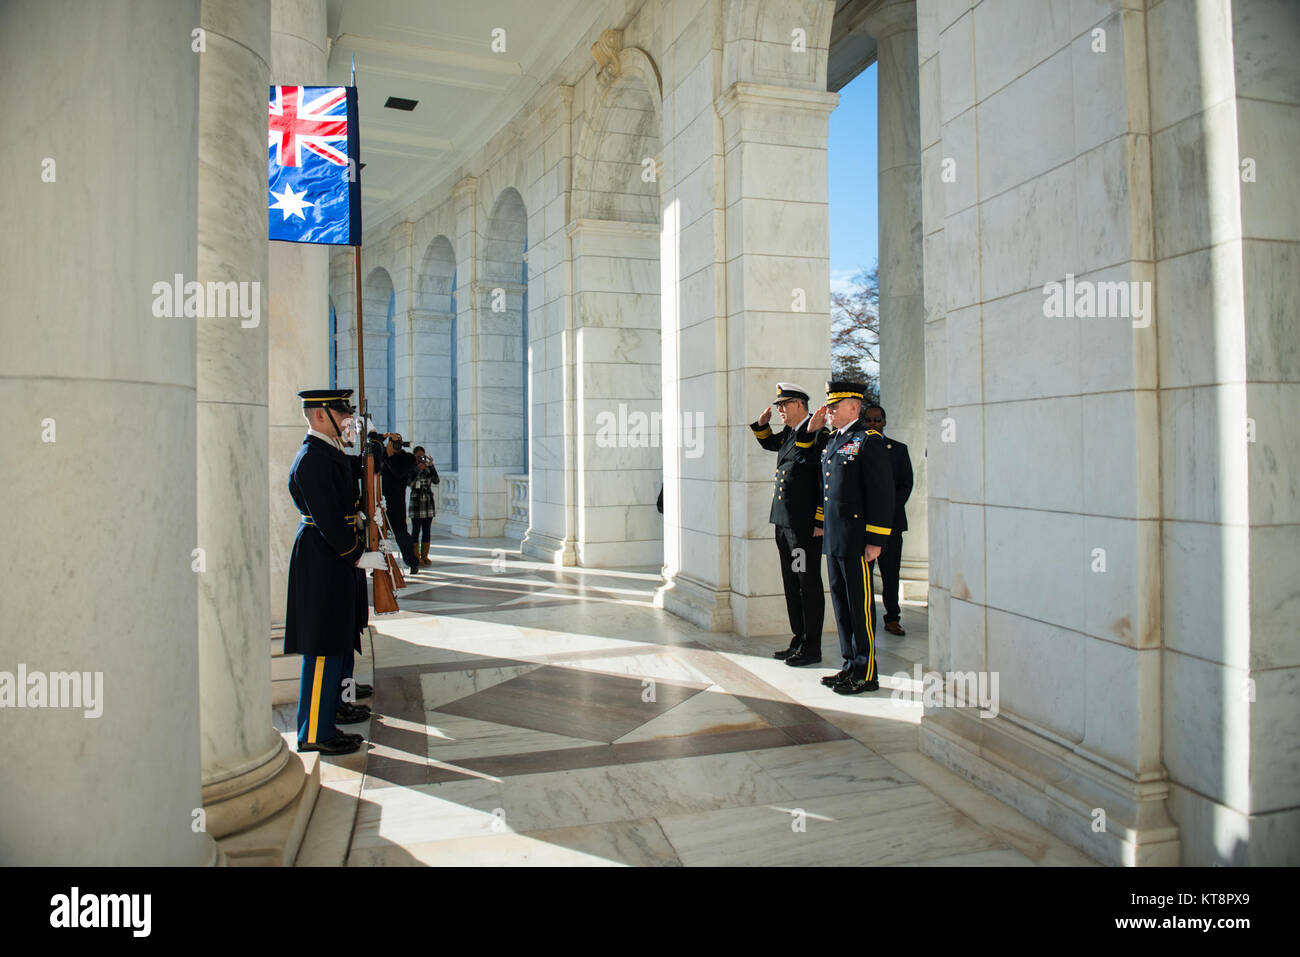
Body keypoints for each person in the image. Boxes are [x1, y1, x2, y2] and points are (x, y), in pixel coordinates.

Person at [285, 389, 373, 755]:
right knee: (323, 648)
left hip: (334, 557)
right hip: (325, 557)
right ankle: (314, 733)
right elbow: (328, 520)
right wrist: (357, 553)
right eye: (342, 413)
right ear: (321, 416)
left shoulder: (328, 452)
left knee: (337, 638)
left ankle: (332, 711)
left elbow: (354, 476)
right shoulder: (312, 460)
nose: (348, 420)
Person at [797, 381, 894, 694]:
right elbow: (821, 482)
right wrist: (811, 429)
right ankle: (849, 665)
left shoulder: (868, 441)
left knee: (860, 606)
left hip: (858, 541)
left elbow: (882, 494)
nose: (830, 411)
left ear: (854, 407)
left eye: (835, 406)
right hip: (836, 538)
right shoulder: (831, 441)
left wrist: (876, 539)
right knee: (841, 604)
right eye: (829, 405)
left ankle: (866, 673)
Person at [750, 382, 829, 667]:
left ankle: (812, 647)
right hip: (784, 523)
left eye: (784, 405)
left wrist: (820, 519)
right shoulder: (790, 434)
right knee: (791, 583)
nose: (780, 410)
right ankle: (799, 639)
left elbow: (824, 480)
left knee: (807, 584)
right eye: (779, 406)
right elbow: (772, 445)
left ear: (799, 405)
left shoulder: (819, 433)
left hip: (804, 526)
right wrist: (762, 427)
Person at [863, 404, 912, 635]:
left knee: (890, 573)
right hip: (863, 525)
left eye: (877, 420)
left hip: (891, 524)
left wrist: (887, 508)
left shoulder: (899, 450)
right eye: (869, 420)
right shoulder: (856, 448)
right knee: (864, 576)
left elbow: (906, 484)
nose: (873, 424)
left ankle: (892, 617)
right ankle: (866, 617)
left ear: (884, 422)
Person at [378, 431, 419, 576]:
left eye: (397, 443)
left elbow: (398, 472)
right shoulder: (382, 454)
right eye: (392, 442)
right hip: (380, 500)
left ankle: (412, 562)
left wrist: (389, 455)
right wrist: (382, 438)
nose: (395, 446)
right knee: (378, 535)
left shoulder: (407, 458)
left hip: (396, 501)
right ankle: (380, 565)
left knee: (401, 534)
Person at [408, 445, 439, 566]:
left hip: (428, 502)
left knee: (427, 530)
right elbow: (409, 483)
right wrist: (417, 470)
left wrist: (431, 466)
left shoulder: (428, 468)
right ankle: (416, 557)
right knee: (416, 530)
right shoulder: (411, 468)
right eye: (418, 456)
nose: (421, 459)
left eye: (422, 456)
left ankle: (425, 556)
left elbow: (436, 480)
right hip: (416, 502)